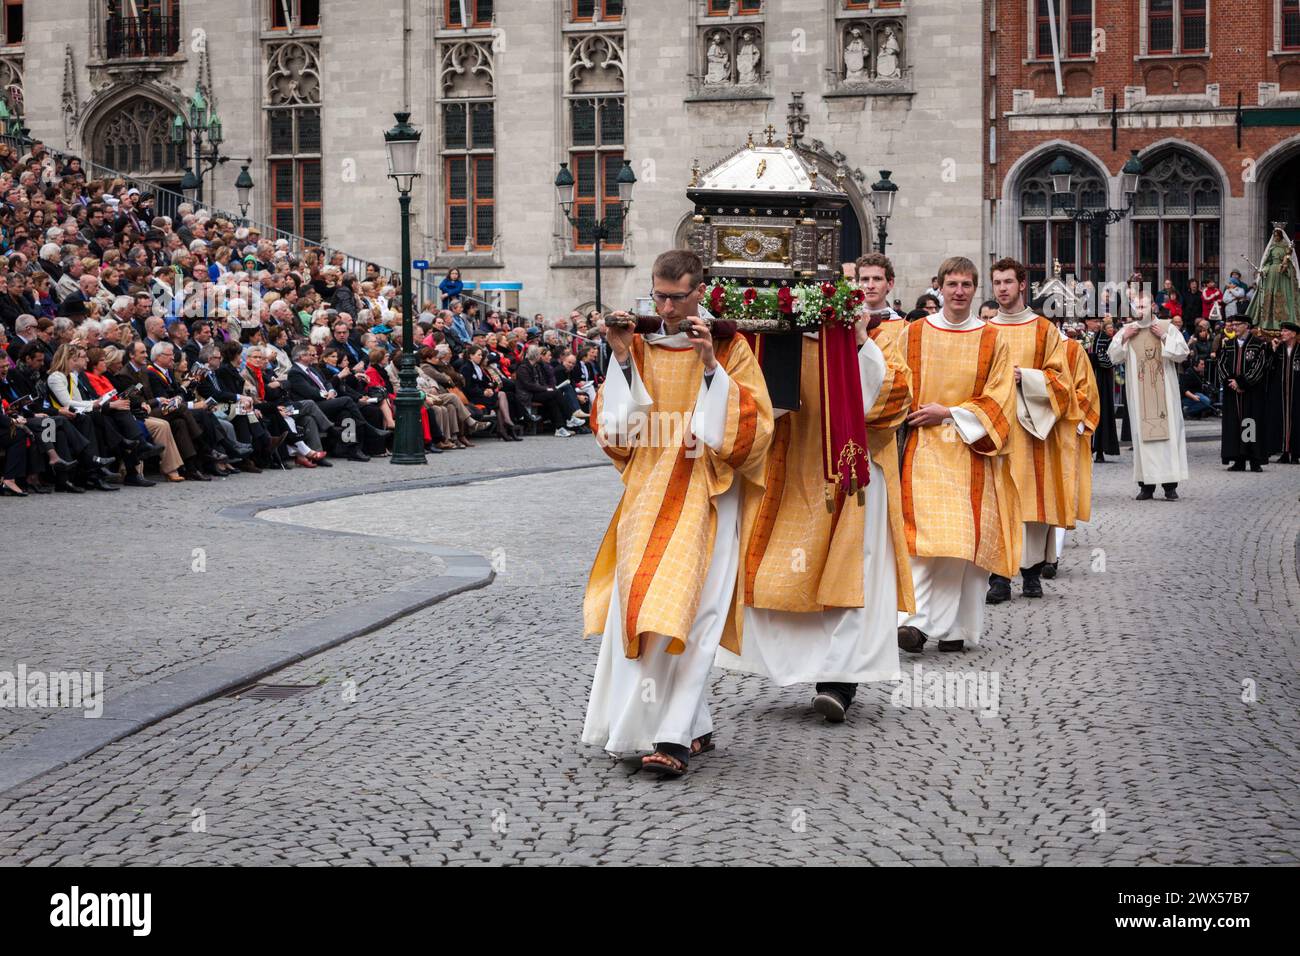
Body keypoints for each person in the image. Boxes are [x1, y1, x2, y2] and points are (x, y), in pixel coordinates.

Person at [582, 249, 774, 778]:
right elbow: (615, 433)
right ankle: (688, 722)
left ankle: (672, 738)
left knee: (699, 613)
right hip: (647, 492)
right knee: (641, 605)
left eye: (675, 297)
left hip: (709, 495)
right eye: (657, 296)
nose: (663, 308)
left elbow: (752, 432)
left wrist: (710, 364)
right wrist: (620, 360)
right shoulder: (638, 345)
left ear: (699, 293)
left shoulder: (731, 348)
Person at [717, 255, 907, 723]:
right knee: (781, 571)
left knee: (850, 570)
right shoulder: (773, 343)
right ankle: (796, 665)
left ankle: (839, 681)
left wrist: (860, 343)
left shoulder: (879, 338)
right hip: (787, 472)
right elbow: (750, 406)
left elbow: (893, 403)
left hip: (848, 477)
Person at [895, 257, 1018, 654]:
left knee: (961, 543)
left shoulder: (991, 338)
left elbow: (1001, 398)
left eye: (966, 284)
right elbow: (895, 382)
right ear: (940, 287)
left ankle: (947, 628)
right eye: (952, 284)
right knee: (924, 542)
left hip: (969, 451)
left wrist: (948, 412)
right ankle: (915, 622)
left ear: (975, 288)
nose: (959, 292)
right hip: (923, 449)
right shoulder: (913, 334)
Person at [984, 258, 1071, 603]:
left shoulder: (1044, 330)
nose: (1002, 288)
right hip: (998, 427)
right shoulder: (985, 330)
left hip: (1034, 428)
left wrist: (1028, 378)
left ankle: (1032, 573)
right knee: (999, 501)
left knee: (1032, 502)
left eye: (1008, 282)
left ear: (1022, 285)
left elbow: (1062, 382)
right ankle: (999, 576)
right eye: (997, 283)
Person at [1107, 295, 1190, 500]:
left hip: (1165, 396)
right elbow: (1113, 356)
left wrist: (1163, 337)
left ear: (1153, 306)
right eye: (1137, 306)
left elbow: (1183, 353)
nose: (1140, 309)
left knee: (1168, 435)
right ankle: (1146, 486)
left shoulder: (1167, 327)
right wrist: (1124, 337)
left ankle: (1170, 486)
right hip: (1140, 398)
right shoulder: (1128, 330)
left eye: (1144, 305)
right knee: (1142, 437)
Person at [1215, 315, 1271, 472]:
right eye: (1232, 324)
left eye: (1237, 324)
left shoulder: (1258, 345)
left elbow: (1259, 367)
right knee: (1234, 425)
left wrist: (1242, 383)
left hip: (1251, 393)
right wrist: (1231, 383)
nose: (1233, 327)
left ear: (1246, 325)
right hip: (1232, 393)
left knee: (1250, 424)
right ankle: (1238, 459)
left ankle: (1254, 459)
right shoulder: (1228, 345)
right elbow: (1221, 364)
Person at [1084, 315, 1119, 462]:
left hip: (1101, 379)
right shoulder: (1084, 336)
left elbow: (1110, 359)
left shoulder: (1104, 337)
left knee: (1102, 412)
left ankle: (1100, 449)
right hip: (1085, 379)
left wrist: (1096, 359)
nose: (1097, 324)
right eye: (1094, 321)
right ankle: (1086, 448)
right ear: (1087, 322)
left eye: (1099, 321)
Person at [1266, 322, 1300, 463]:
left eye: (1285, 331)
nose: (1282, 333)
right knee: (1280, 421)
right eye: (1282, 331)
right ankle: (1284, 452)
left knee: (1297, 421)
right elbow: (1268, 367)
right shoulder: (1279, 349)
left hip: (1297, 393)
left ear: (1293, 334)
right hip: (1280, 392)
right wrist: (1272, 350)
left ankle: (1296, 453)